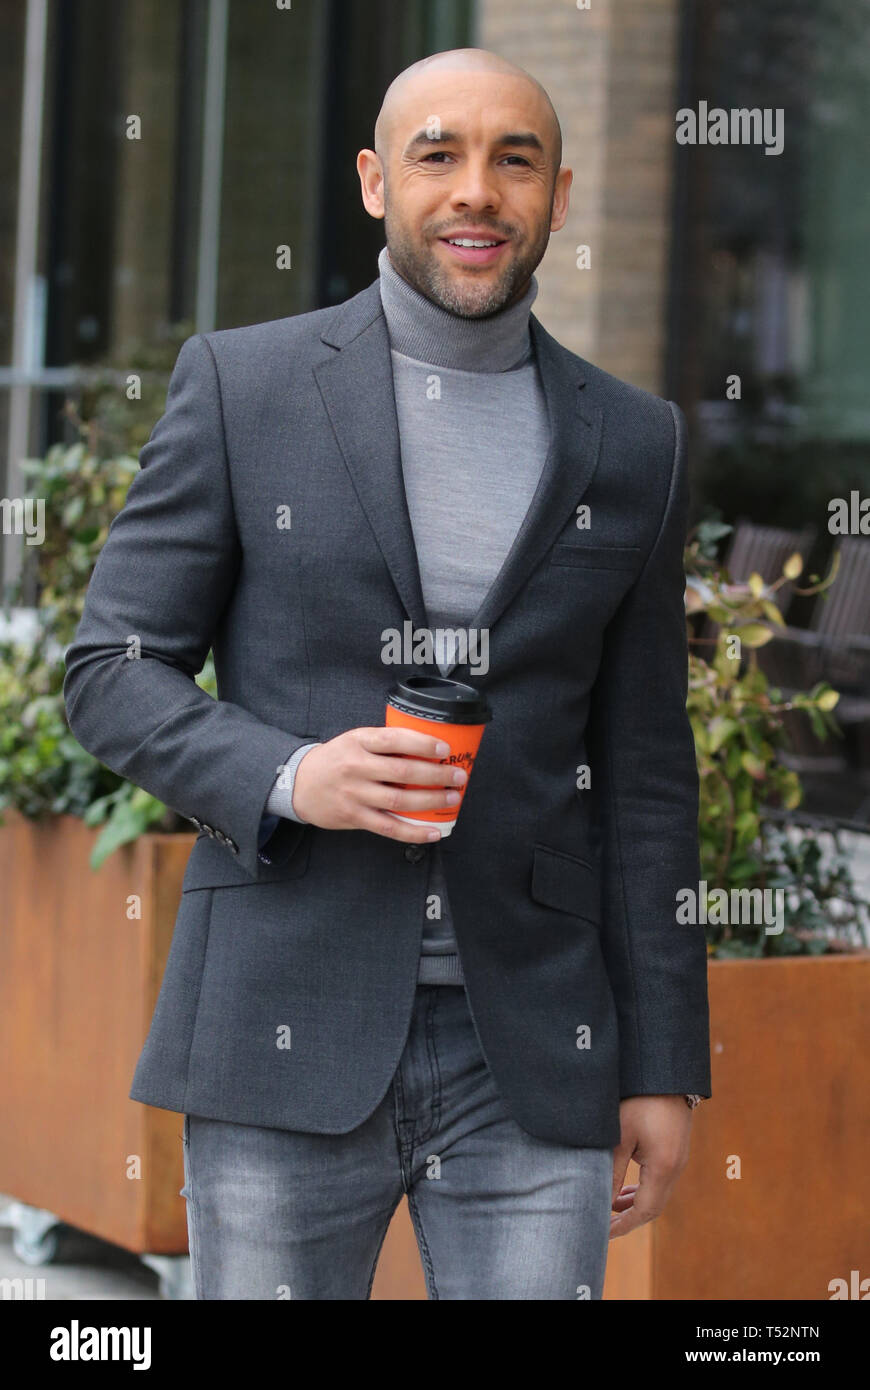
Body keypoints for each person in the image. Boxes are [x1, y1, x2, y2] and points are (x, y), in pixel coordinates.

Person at [63, 47, 710, 1301]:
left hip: (533, 1045)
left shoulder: (636, 442)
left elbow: (645, 781)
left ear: (560, 198)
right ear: (374, 182)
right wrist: (293, 775)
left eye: (514, 159)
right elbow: (112, 670)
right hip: (279, 1024)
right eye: (438, 155)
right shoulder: (244, 387)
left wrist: (663, 1061)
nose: (478, 191)